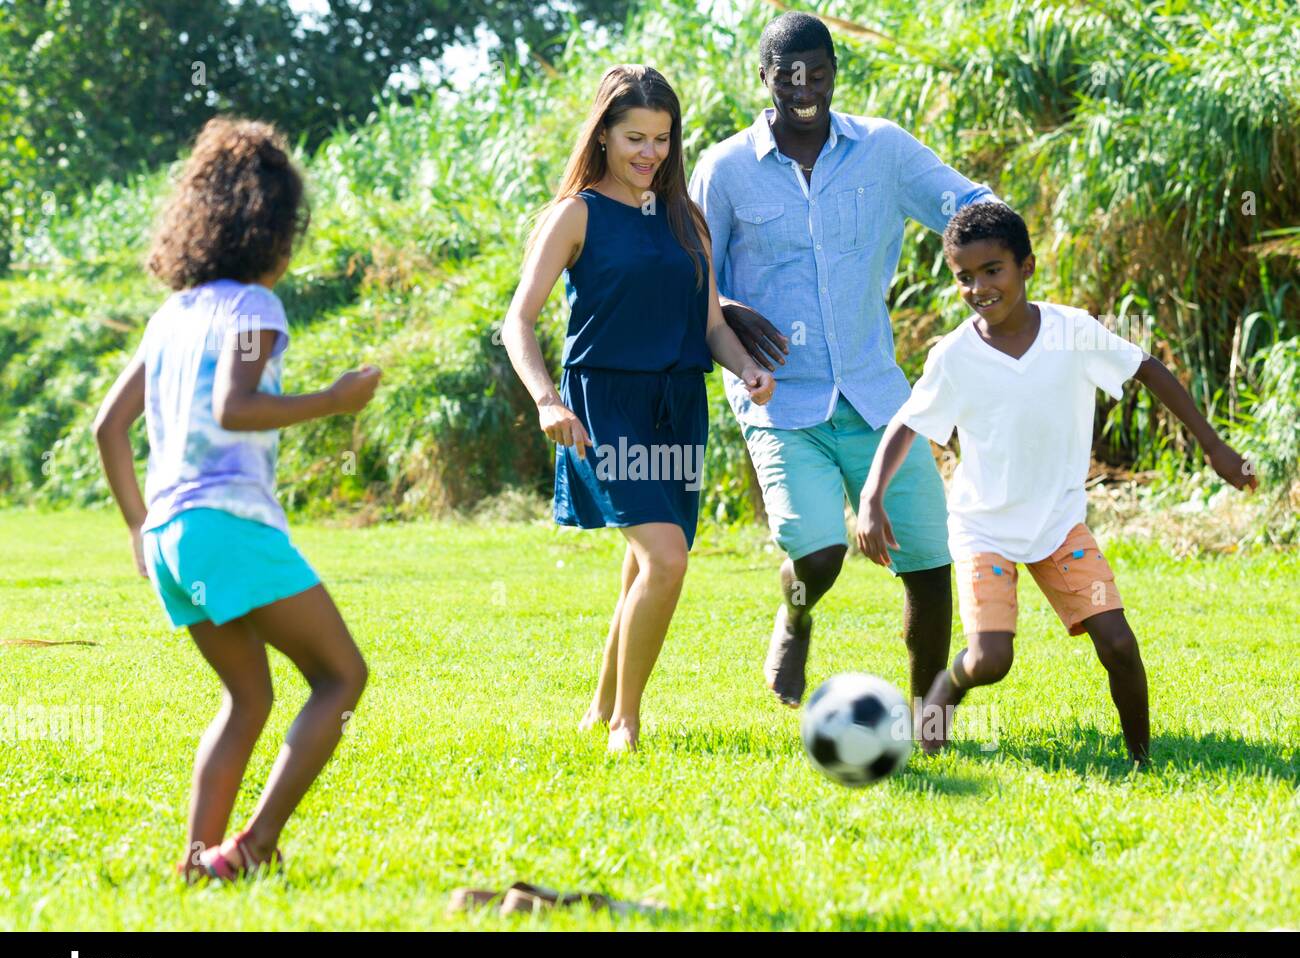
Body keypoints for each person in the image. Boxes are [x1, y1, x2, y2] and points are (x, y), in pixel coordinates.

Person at [857, 202, 1257, 763]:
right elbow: (907, 423)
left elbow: (1147, 368)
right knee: (991, 659)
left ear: (1027, 267)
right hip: (984, 530)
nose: (978, 288)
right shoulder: (954, 355)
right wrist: (872, 497)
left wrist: (1214, 446)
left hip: (1059, 524)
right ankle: (947, 688)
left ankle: (1143, 760)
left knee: (1118, 643)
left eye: (992, 270)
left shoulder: (1072, 332)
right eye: (963, 278)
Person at [93, 118, 382, 880]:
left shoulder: (171, 315)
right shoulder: (255, 309)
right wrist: (334, 398)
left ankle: (198, 863)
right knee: (341, 677)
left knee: (247, 698)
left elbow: (107, 428)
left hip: (170, 538)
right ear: (272, 227)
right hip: (226, 524)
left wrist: (137, 524)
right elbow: (235, 406)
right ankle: (249, 847)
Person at [688, 10, 998, 709]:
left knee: (926, 561)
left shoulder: (883, 151)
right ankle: (795, 614)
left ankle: (929, 716)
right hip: (777, 397)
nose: (804, 90)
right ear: (763, 78)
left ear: (834, 74)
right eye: (787, 76)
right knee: (820, 550)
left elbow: (969, 205)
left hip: (877, 394)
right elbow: (692, 275)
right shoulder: (726, 169)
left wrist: (998, 266)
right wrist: (728, 309)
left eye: (818, 75)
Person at [502, 65, 775, 753]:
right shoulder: (575, 214)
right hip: (603, 404)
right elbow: (518, 321)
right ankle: (627, 720)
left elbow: (712, 322)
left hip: (676, 404)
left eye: (661, 137)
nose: (649, 152)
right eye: (634, 138)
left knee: (643, 561)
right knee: (666, 557)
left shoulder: (688, 220)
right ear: (602, 135)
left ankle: (600, 706)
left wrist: (746, 367)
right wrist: (545, 399)